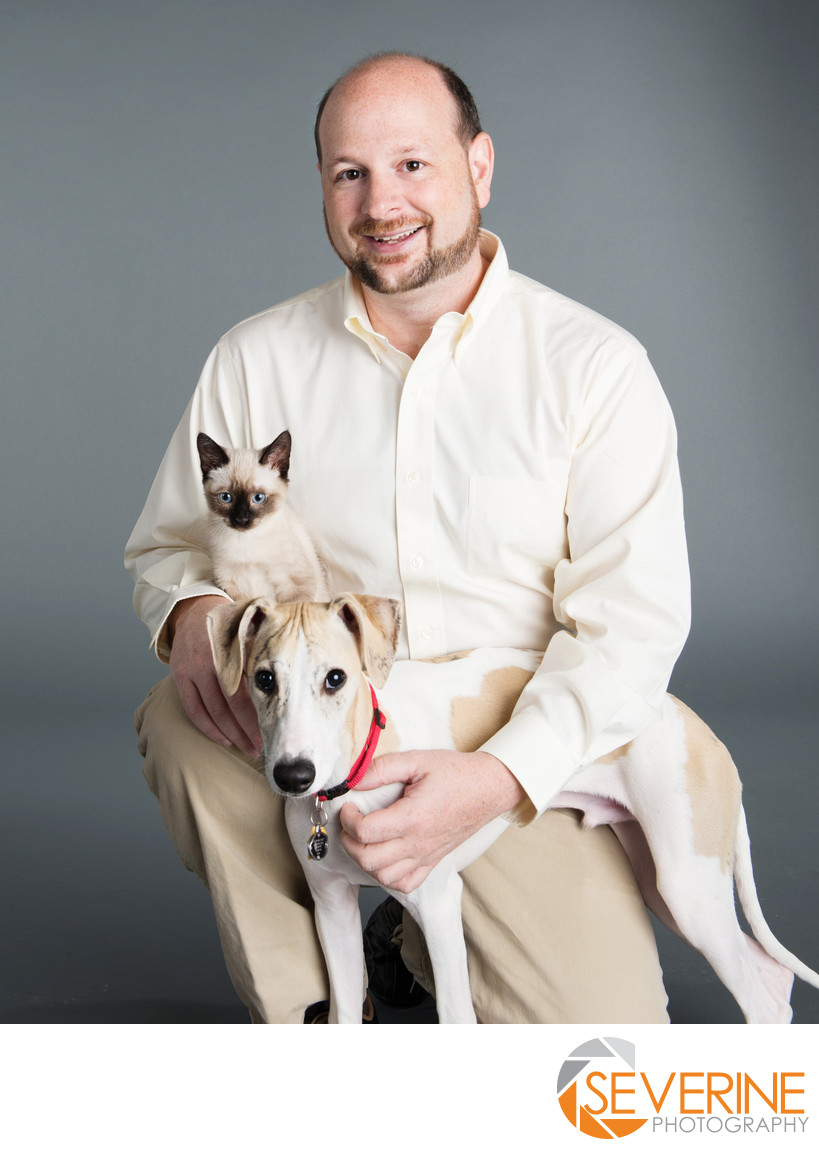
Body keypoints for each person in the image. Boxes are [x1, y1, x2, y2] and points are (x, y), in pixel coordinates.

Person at [126, 52, 690, 1023]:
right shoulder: (254, 359)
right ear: (322, 187)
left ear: (480, 166)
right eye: (350, 172)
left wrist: (497, 776)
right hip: (312, 722)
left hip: (501, 751)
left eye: (413, 166)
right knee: (181, 719)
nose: (381, 202)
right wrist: (192, 606)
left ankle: (409, 942)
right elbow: (171, 547)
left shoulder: (595, 369)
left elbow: (632, 630)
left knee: (603, 1053)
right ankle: (317, 1015)